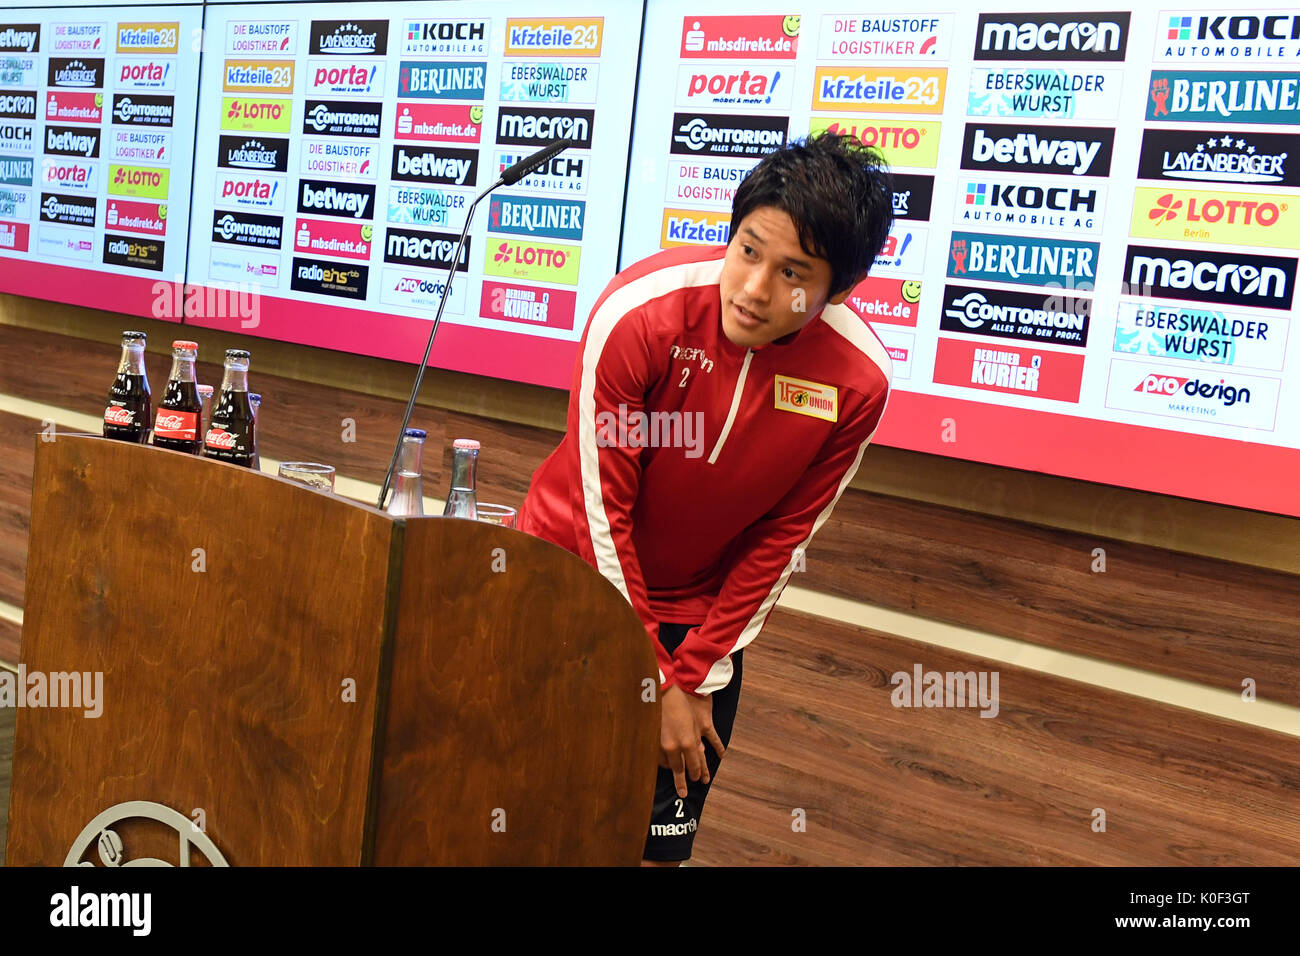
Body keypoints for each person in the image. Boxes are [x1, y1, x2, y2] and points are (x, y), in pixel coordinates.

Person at [518, 132, 896, 865]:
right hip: (561, 583)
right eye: (747, 250)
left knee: (657, 849)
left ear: (838, 290)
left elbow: (782, 542)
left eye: (792, 273)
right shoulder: (641, 316)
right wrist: (650, 676)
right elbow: (604, 514)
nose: (753, 289)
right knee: (523, 815)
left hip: (700, 635)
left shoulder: (858, 382)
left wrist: (688, 676)